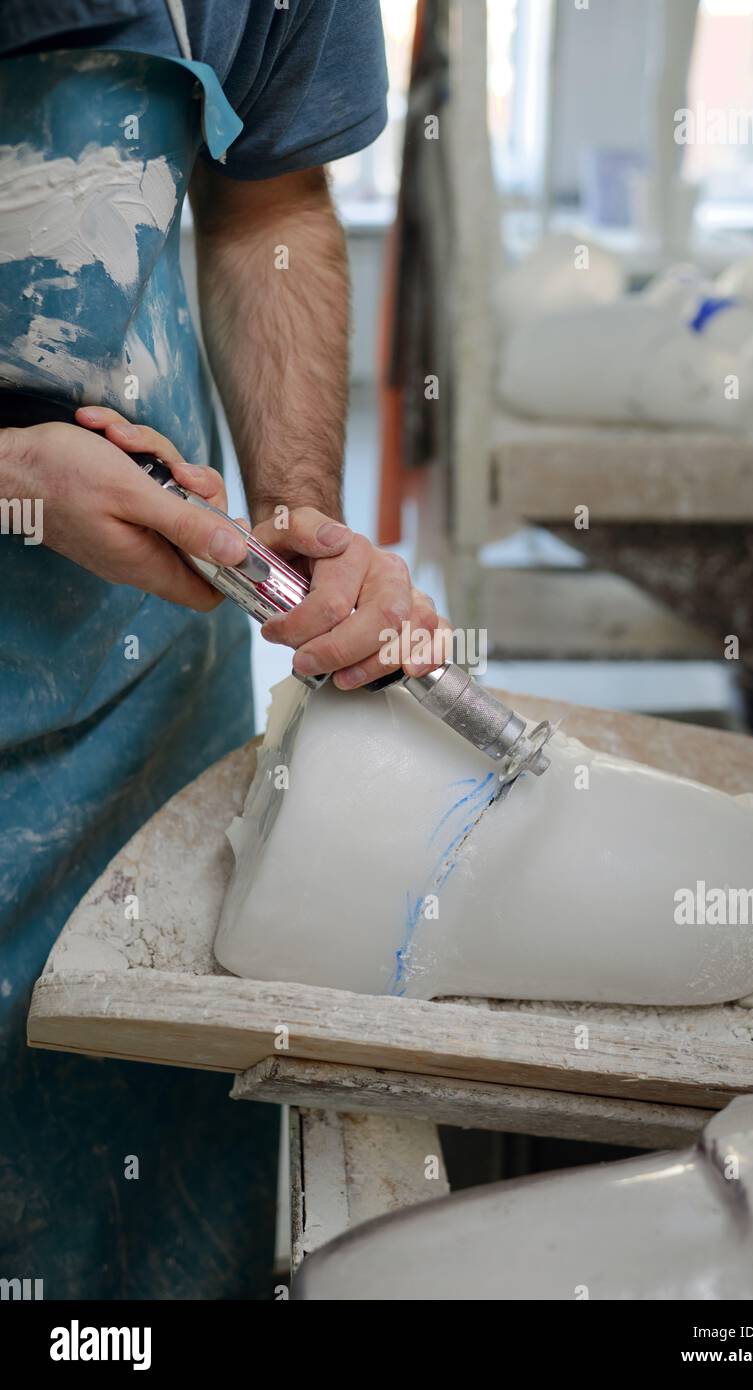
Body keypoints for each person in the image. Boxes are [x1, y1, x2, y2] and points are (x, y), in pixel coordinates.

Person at [0, 0, 441, 1299]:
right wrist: (12, 465)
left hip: (135, 707)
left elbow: (270, 204)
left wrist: (298, 519)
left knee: (133, 1222)